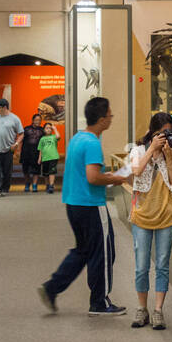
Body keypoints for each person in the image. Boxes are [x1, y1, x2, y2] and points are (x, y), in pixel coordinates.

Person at [37, 96, 128, 316]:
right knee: (104, 252)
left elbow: (84, 173)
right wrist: (116, 179)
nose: (111, 119)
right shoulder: (93, 143)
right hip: (91, 205)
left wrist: (103, 175)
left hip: (73, 204)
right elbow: (92, 178)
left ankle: (52, 288)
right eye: (110, 115)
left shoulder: (77, 138)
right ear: (102, 119)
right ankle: (99, 302)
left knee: (83, 250)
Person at [126, 112, 172, 330]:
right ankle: (142, 308)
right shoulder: (139, 150)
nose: (166, 137)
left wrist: (169, 156)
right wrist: (152, 148)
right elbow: (136, 171)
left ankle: (158, 310)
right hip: (142, 216)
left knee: (162, 266)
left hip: (166, 216)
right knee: (141, 267)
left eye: (170, 132)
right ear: (153, 132)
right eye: (163, 133)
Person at [21, 113, 46, 192]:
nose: (38, 121)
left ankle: (35, 185)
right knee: (25, 170)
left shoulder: (42, 130)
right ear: (32, 120)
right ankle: (27, 183)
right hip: (26, 152)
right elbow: (21, 139)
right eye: (36, 120)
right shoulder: (26, 129)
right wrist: (17, 150)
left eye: (39, 120)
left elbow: (45, 142)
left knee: (36, 170)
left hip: (37, 152)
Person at [38, 122, 61, 195]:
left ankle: (51, 185)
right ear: (44, 130)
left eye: (50, 128)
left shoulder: (54, 137)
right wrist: (39, 158)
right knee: (45, 173)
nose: (48, 129)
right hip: (45, 158)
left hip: (53, 157)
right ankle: (47, 185)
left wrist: (55, 129)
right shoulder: (42, 139)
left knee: (52, 172)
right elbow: (40, 149)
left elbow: (58, 136)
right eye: (47, 128)